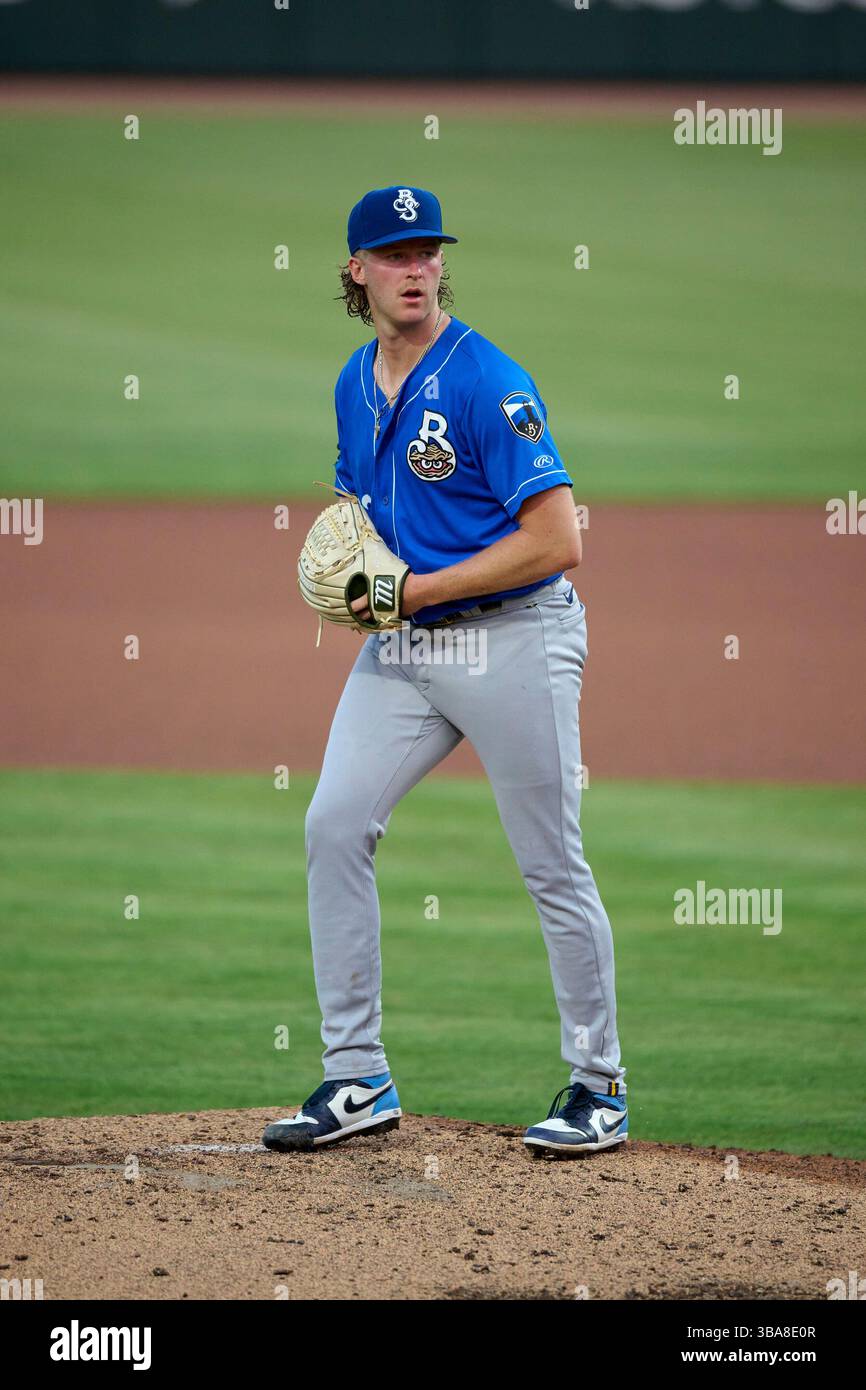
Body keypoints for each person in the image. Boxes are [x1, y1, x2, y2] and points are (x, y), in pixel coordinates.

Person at [262, 185, 628, 1157]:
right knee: (332, 823)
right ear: (357, 272)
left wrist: (410, 591)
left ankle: (596, 1087)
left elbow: (556, 541)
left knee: (550, 862)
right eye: (393, 254)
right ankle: (356, 1077)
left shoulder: (486, 381)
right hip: (408, 649)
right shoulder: (352, 380)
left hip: (515, 639)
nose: (414, 268)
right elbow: (362, 521)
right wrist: (359, 587)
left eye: (426, 251)